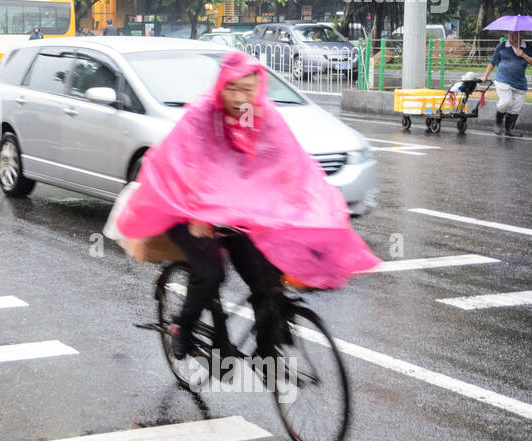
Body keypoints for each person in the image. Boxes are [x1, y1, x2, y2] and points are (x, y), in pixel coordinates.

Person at [116, 51, 379, 360]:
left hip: (236, 212)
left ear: (259, 88)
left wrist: (307, 208)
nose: (241, 97)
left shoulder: (264, 116)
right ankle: (182, 328)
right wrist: (199, 213)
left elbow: (290, 162)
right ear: (221, 87)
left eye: (248, 88)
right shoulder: (203, 114)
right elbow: (185, 164)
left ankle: (267, 353)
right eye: (233, 88)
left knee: (267, 280)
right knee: (211, 273)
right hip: (183, 205)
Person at [482, 30, 532, 136]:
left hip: (520, 83)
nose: (510, 35)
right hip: (503, 80)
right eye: (509, 33)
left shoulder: (527, 46)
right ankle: (498, 123)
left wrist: (523, 54)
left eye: (514, 34)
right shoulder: (502, 46)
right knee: (505, 102)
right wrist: (485, 76)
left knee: (515, 108)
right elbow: (492, 62)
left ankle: (509, 130)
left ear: (521, 34)